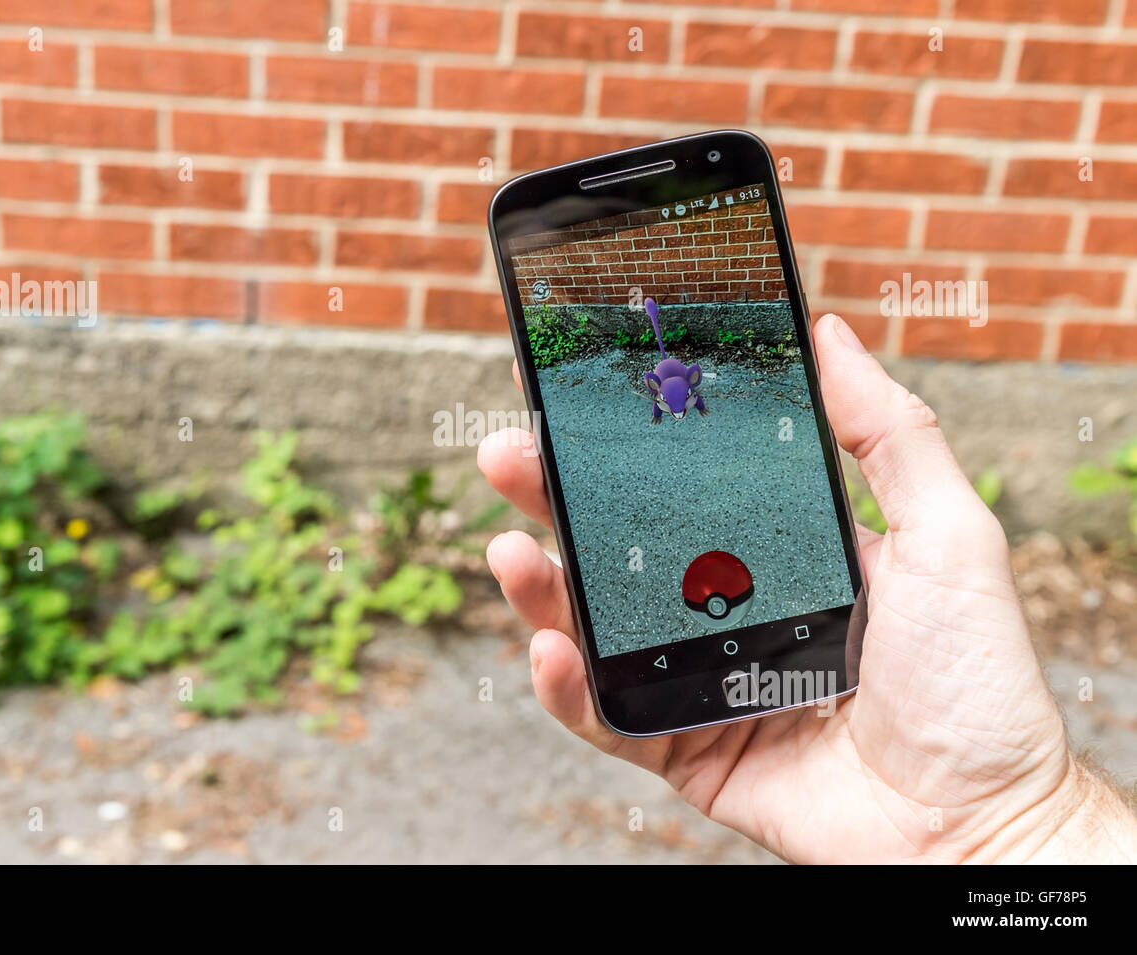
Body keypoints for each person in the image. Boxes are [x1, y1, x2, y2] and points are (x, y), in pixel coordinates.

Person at [478, 313, 1137, 864]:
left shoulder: (687, 394)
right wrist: (1025, 829)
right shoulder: (668, 391)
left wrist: (1015, 823)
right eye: (673, 396)